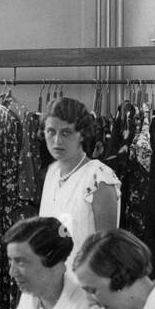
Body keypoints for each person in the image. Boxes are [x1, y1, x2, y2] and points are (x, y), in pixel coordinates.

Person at [40, 96, 121, 256]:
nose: (57, 140)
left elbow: (107, 253)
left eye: (66, 133)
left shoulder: (98, 177)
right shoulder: (52, 172)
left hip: (84, 279)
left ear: (82, 134)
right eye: (51, 131)